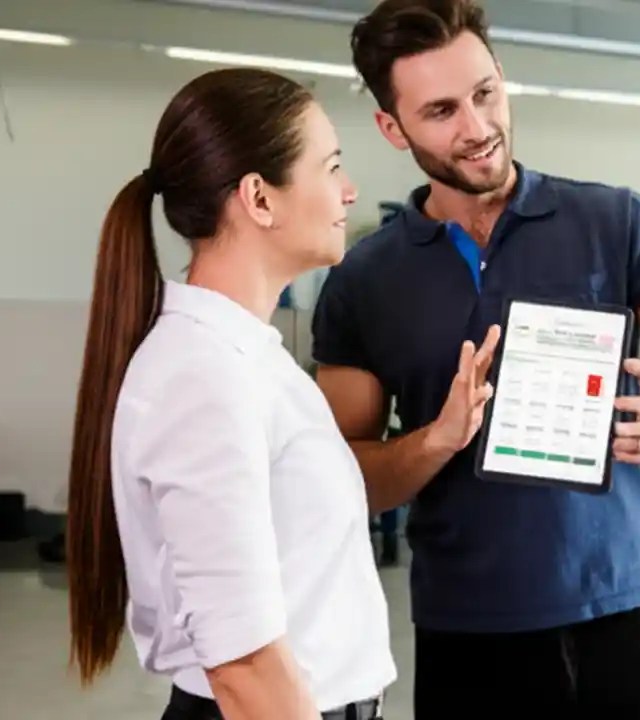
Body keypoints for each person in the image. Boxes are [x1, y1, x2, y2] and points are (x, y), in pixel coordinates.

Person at [311, 1, 640, 717]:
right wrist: (437, 440)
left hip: (626, 610)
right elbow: (347, 478)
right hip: (468, 633)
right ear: (392, 128)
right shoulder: (364, 280)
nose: (478, 127)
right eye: (442, 111)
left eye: (486, 93)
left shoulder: (615, 223)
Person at [65, 67, 395, 720]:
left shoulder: (243, 358)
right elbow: (244, 667)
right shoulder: (204, 375)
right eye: (330, 167)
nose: (349, 191)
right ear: (259, 198)